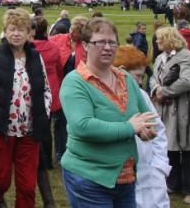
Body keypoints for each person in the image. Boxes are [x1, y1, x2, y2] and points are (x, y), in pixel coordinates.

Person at [59, 17, 158, 208]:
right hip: (89, 178)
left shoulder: (125, 78)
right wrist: (130, 127)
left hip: (126, 177)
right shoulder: (75, 82)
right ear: (86, 46)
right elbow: (84, 126)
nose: (107, 47)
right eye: (100, 42)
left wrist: (147, 130)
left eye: (112, 42)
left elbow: (146, 116)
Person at [0, 8, 52, 208]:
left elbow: (46, 89)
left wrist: (45, 111)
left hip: (29, 132)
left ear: (28, 33)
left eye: (21, 30)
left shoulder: (35, 57)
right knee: (1, 180)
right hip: (0, 129)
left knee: (27, 186)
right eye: (12, 29)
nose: (16, 34)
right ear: (5, 31)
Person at [149, 26, 190, 205]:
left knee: (187, 150)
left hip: (185, 110)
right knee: (169, 148)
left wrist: (164, 91)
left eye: (160, 39)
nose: (157, 42)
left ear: (169, 40)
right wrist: (156, 89)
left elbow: (187, 81)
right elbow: (153, 77)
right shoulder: (161, 57)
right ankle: (173, 183)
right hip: (166, 110)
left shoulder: (187, 57)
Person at [113, 45, 171, 208]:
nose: (141, 81)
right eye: (138, 76)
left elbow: (158, 130)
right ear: (122, 70)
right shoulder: (102, 98)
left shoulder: (141, 96)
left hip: (149, 171)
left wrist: (159, 166)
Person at [31, 16, 62, 208]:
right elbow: (59, 68)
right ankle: (48, 160)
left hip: (36, 88)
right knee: (47, 126)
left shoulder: (29, 48)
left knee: (35, 127)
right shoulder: (53, 48)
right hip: (51, 86)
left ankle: (38, 159)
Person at [48, 14, 88, 162]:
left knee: (77, 121)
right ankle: (60, 152)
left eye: (76, 31)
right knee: (59, 121)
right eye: (71, 29)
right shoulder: (59, 39)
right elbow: (44, 45)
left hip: (79, 89)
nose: (72, 33)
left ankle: (78, 151)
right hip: (59, 87)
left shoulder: (86, 46)